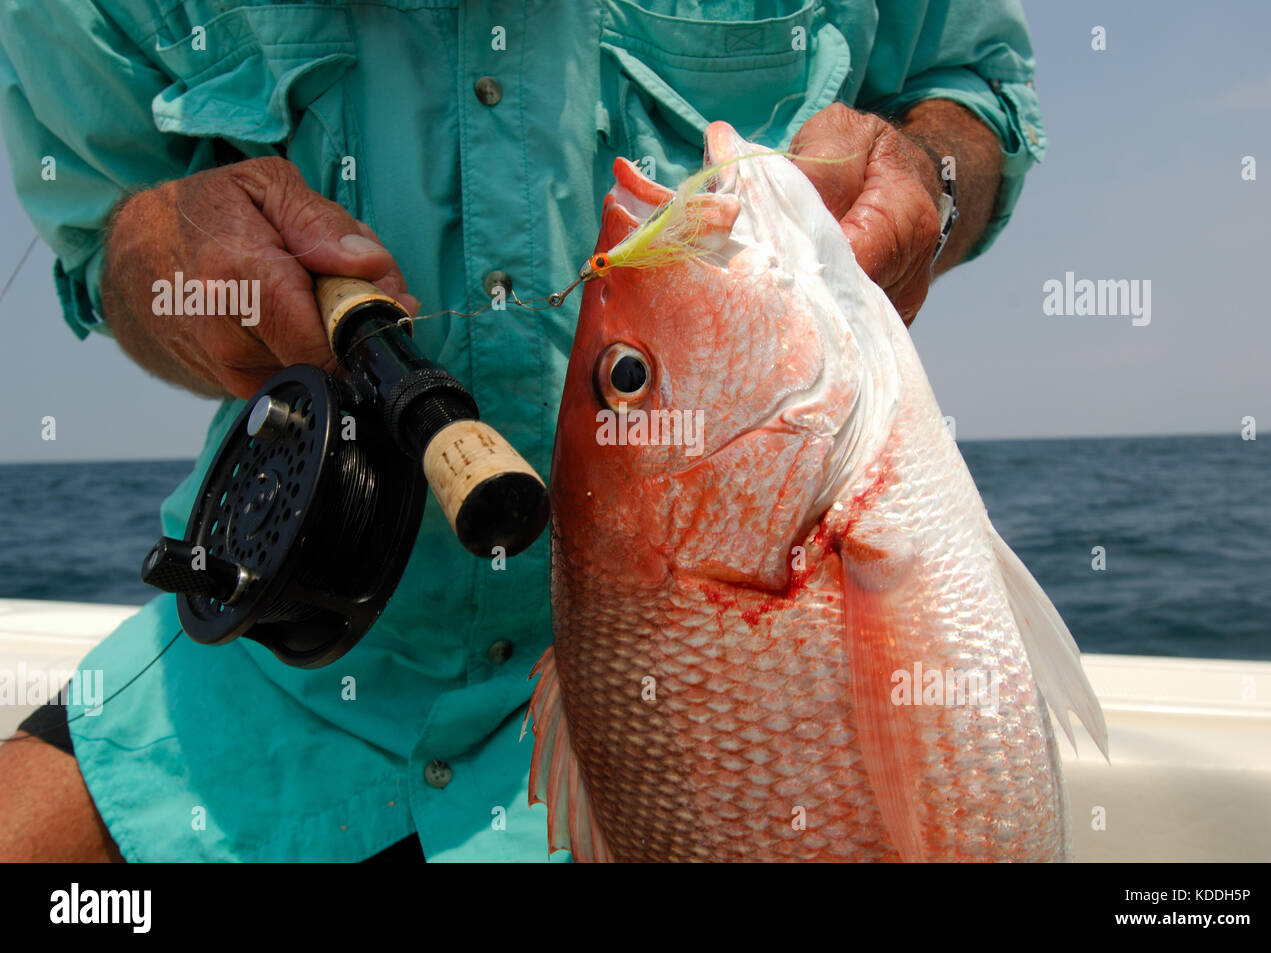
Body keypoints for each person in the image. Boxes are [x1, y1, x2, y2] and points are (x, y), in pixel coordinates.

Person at [0, 0, 1046, 861]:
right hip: (285, 664)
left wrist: (932, 181)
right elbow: (108, 239)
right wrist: (160, 258)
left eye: (628, 378)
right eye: (625, 377)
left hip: (621, 716)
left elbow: (972, 94)